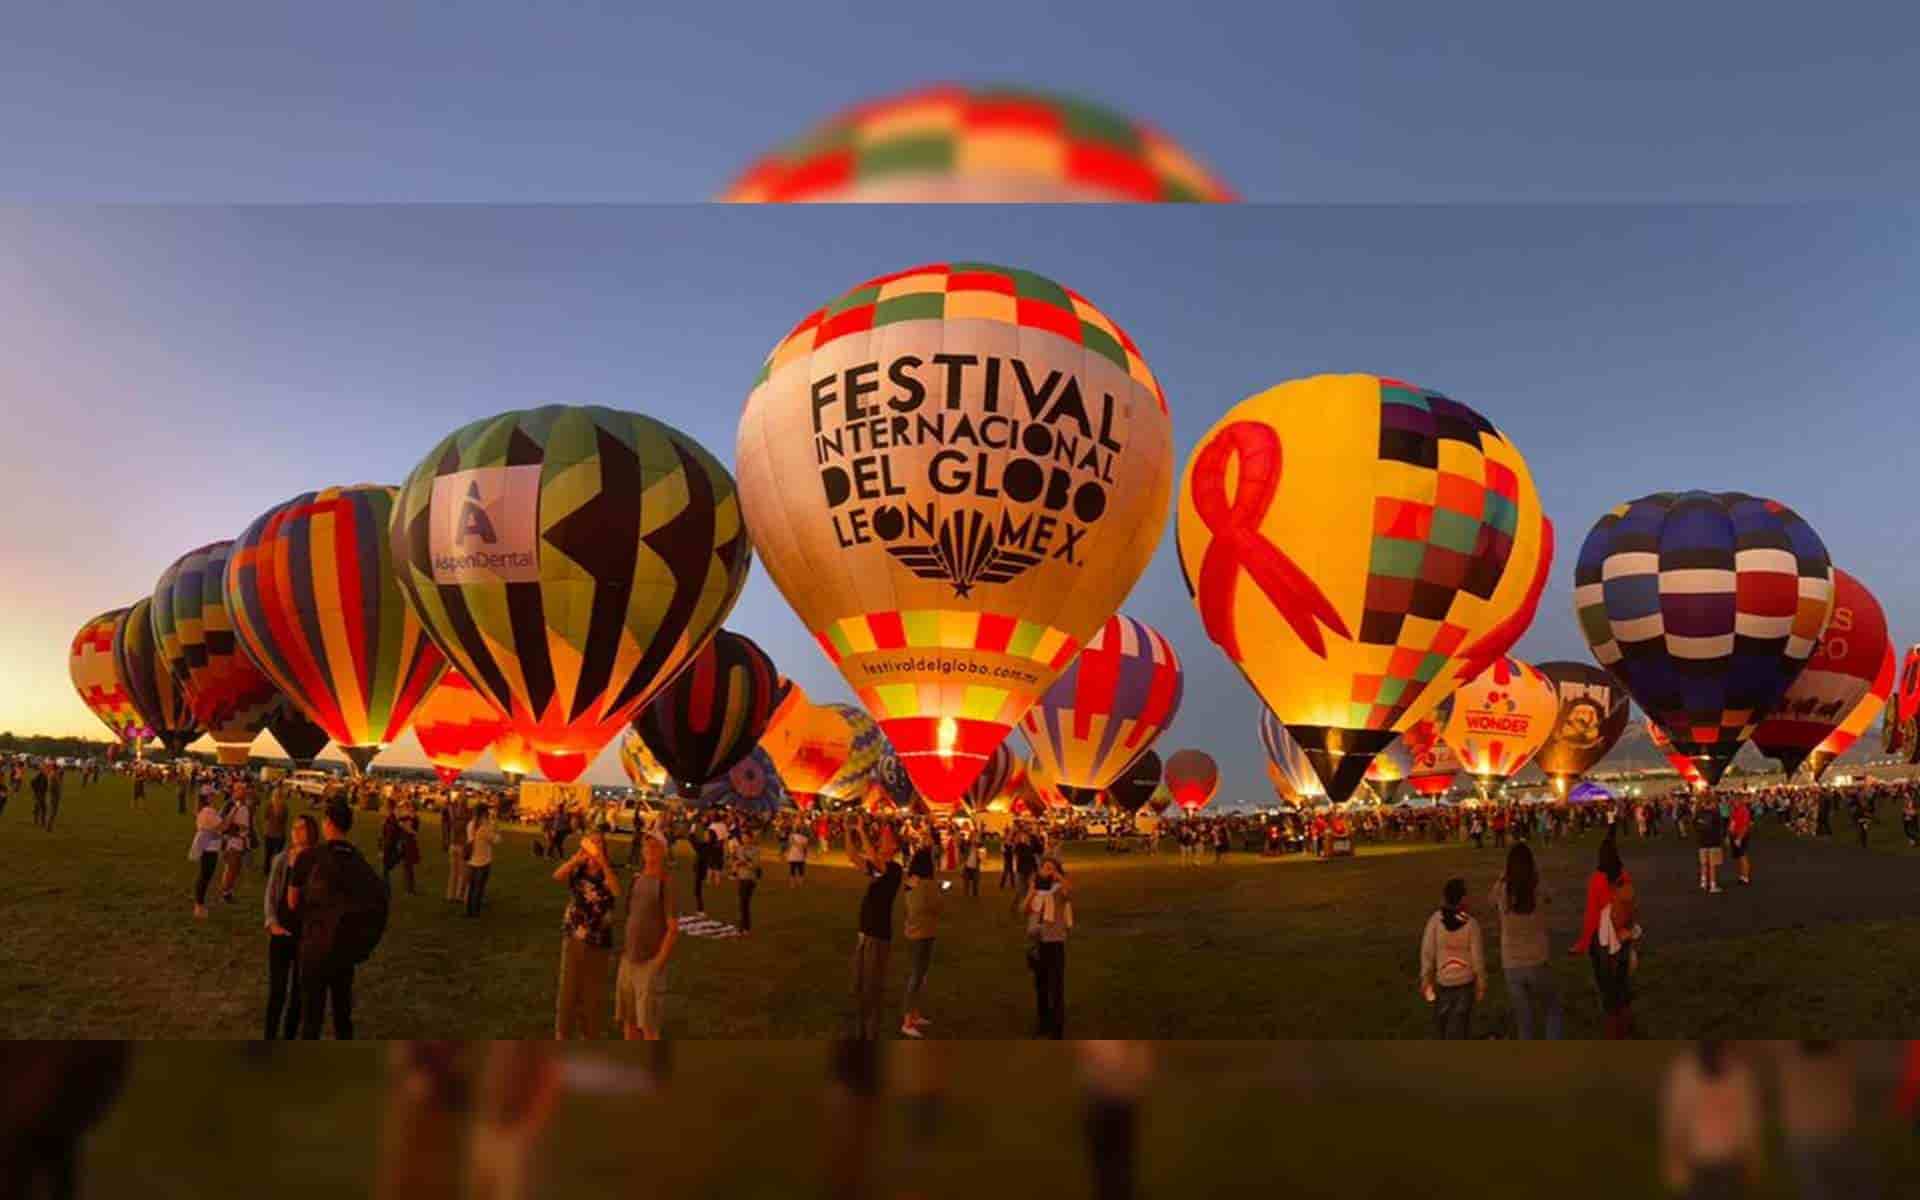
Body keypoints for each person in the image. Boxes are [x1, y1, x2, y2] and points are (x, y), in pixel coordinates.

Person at [294, 801, 376, 1039]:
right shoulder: (360, 863)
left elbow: (292, 902)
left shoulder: (309, 857)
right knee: (342, 1012)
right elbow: (374, 901)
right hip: (344, 948)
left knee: (311, 1016)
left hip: (314, 946)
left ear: (328, 822)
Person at [1660, 1042, 1761, 1200]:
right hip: (1696, 1166)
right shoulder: (1684, 1070)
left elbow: (1747, 1118)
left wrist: (1751, 1158)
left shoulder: (1739, 1071)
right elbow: (1676, 1119)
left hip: (1730, 1165)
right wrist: (1675, 1163)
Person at [552, 829, 620, 1039]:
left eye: (599, 842)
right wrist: (575, 860)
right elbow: (557, 876)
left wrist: (603, 862)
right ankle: (562, 1034)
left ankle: (589, 1034)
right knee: (568, 989)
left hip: (599, 941)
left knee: (592, 993)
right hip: (574, 937)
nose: (595, 845)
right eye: (591, 842)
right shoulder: (578, 869)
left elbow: (616, 891)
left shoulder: (607, 872)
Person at [1490, 843, 1562, 1039]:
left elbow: (1490, 900)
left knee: (1524, 1022)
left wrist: (1503, 876)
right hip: (1538, 958)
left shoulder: (1502, 890)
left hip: (1512, 963)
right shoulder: (1538, 887)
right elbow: (1551, 896)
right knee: (1552, 1010)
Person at [1573, 833, 1638, 1038]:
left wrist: (1584, 941)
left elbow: (1592, 914)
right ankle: (1625, 1027)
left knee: (1607, 988)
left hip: (1601, 938)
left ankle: (1613, 1032)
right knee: (1622, 983)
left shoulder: (1597, 880)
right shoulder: (1624, 876)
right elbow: (1630, 905)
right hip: (1621, 935)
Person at [845, 816, 902, 1040]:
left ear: (895, 847)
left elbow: (873, 858)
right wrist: (849, 831)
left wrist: (861, 830)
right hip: (864, 933)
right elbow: (852, 856)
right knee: (859, 985)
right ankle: (861, 1031)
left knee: (873, 987)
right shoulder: (878, 868)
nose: (880, 838)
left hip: (878, 936)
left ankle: (871, 1034)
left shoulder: (894, 869)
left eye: (885, 837)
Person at [262, 813, 318, 1039]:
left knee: (298, 994)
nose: (296, 831)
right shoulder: (281, 859)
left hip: (305, 936)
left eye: (302, 828)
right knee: (277, 992)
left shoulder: (317, 861)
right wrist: (271, 922)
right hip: (281, 932)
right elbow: (270, 893)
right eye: (294, 827)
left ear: (312, 832)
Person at [619, 834, 679, 1041]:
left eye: (654, 846)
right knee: (629, 1020)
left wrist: (658, 963)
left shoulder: (665, 883)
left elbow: (672, 928)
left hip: (649, 962)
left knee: (648, 1026)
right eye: (646, 846)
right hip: (628, 959)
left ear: (663, 851)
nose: (649, 850)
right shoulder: (636, 879)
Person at [1418, 877, 1485, 1039]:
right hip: (1465, 983)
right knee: (1461, 1029)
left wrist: (1426, 977)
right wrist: (1481, 981)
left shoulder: (1435, 920)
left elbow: (1427, 951)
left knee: (1443, 1029)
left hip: (1444, 983)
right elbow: (1477, 957)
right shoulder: (1471, 923)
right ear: (1462, 899)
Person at [1025, 856, 1073, 1038]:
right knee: (1041, 987)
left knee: (1056, 987)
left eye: (1051, 868)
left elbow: (1069, 892)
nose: (1047, 871)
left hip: (1055, 943)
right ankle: (1043, 1023)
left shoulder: (1059, 890)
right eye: (1044, 868)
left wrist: (1058, 877)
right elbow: (1024, 909)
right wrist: (1031, 889)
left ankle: (1057, 1027)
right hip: (1039, 944)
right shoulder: (1037, 892)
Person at [900, 846, 941, 1038]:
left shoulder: (913, 882)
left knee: (920, 974)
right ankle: (908, 1020)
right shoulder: (924, 884)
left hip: (921, 930)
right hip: (921, 933)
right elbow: (932, 905)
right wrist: (937, 893)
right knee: (917, 976)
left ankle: (914, 1014)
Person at [188, 794, 223, 919]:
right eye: (212, 796)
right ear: (208, 798)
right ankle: (199, 906)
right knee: (205, 877)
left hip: (205, 847)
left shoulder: (202, 810)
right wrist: (233, 811)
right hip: (210, 849)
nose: (215, 797)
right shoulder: (209, 811)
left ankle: (199, 903)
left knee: (203, 876)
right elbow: (222, 826)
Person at [217, 784, 253, 904]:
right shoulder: (229, 805)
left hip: (241, 841)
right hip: (232, 841)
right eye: (240, 790)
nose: (243, 792)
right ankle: (225, 893)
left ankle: (229, 891)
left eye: (244, 790)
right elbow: (222, 824)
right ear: (234, 791)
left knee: (236, 869)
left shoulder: (245, 805)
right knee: (231, 869)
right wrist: (237, 828)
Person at [380, 800, 421, 895]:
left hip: (398, 844)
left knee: (399, 865)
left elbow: (407, 829)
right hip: (396, 843)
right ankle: (408, 888)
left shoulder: (400, 817)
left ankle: (409, 888)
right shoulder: (397, 816)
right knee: (400, 866)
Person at [464, 804, 499, 917]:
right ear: (484, 813)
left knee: (472, 887)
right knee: (479, 888)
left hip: (472, 860)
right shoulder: (484, 828)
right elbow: (496, 840)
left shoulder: (470, 825)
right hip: (483, 860)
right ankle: (475, 911)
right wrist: (495, 827)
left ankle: (469, 910)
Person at [729, 824, 761, 934]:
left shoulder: (755, 850)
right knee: (742, 903)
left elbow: (755, 866)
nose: (743, 839)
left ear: (750, 838)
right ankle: (745, 927)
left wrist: (744, 862)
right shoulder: (739, 849)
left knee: (744, 903)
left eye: (746, 837)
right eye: (742, 837)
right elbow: (734, 863)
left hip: (750, 879)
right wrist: (735, 864)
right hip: (741, 878)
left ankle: (743, 927)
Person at [445, 791, 471, 905]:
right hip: (461, 845)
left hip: (453, 844)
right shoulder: (467, 815)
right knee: (462, 872)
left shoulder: (453, 813)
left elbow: (449, 804)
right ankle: (459, 895)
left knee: (453, 872)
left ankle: (450, 894)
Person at [259, 785, 289, 875]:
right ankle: (271, 870)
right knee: (274, 855)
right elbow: (284, 820)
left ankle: (268, 870)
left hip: (273, 834)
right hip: (276, 834)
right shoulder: (282, 806)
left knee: (270, 854)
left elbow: (266, 817)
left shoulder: (276, 806)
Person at [1696, 798, 1725, 893]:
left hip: (1702, 842)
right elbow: (1720, 828)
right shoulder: (1715, 814)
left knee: (1703, 863)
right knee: (1712, 865)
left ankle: (1703, 883)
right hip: (1713, 842)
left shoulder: (1699, 814)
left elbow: (1695, 826)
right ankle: (1713, 885)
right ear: (1712, 803)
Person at [1726, 796, 1752, 885]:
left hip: (1741, 836)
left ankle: (1746, 877)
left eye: (1736, 801)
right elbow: (1732, 823)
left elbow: (1745, 826)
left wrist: (1739, 838)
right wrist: (1729, 836)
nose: (1734, 802)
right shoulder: (1734, 810)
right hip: (1735, 835)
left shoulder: (1744, 811)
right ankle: (1742, 875)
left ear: (1740, 801)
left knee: (1743, 856)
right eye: (1733, 801)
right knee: (1739, 857)